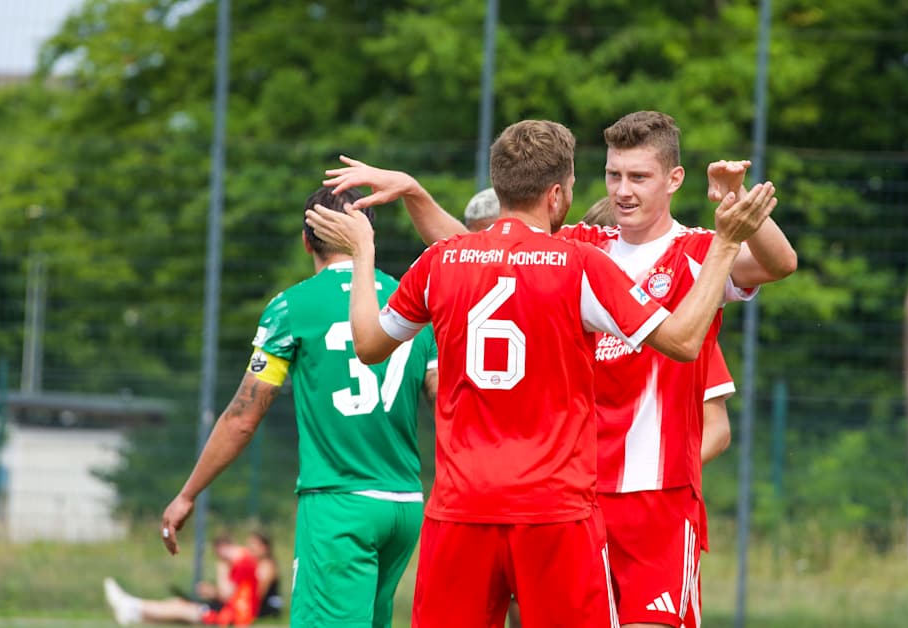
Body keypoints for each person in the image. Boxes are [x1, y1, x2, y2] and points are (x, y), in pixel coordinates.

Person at [320, 110, 795, 628]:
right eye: (614, 175)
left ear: (674, 179)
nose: (623, 190)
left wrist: (736, 203)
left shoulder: (696, 251)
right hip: (571, 495)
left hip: (649, 492)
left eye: (639, 177)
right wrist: (417, 194)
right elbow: (489, 254)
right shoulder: (581, 249)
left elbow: (779, 263)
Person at [157, 187, 438, 627]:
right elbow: (445, 400)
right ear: (368, 232)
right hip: (404, 505)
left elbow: (243, 418)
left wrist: (187, 494)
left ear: (306, 241)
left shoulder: (291, 307)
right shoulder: (412, 301)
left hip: (340, 504)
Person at [583, 194, 735, 466]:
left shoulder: (681, 326)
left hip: (651, 496)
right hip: (583, 487)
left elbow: (717, 429)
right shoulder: (583, 316)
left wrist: (661, 470)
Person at [104, 536, 259, 626]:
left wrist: (216, 580)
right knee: (179, 603)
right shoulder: (243, 560)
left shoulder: (241, 561)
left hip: (233, 615)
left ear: (223, 547)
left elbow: (227, 595)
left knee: (183, 608)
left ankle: (130, 605)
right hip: (230, 610)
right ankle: (132, 611)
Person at [244, 532, 282, 619]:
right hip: (256, 604)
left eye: (254, 544)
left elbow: (259, 593)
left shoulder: (267, 565)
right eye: (249, 544)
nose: (250, 547)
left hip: (267, 607)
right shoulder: (253, 564)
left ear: (265, 547)